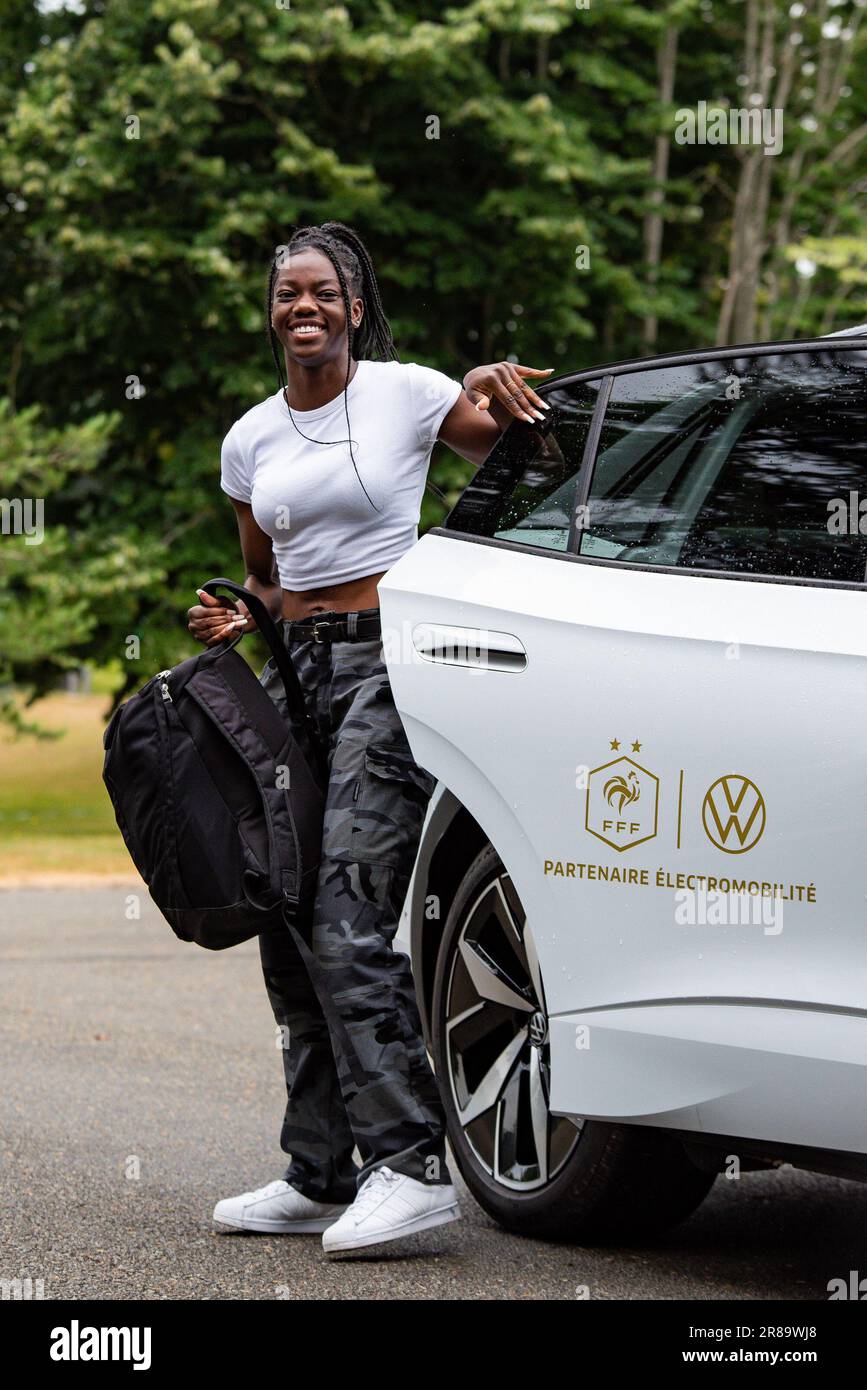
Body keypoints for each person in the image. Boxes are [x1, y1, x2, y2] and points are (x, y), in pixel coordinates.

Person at [187, 220, 553, 1256]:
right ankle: (319, 1171)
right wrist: (237, 616)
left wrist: (486, 385)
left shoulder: (410, 393)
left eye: (323, 292)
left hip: (389, 667)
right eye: (286, 292)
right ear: (272, 312)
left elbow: (533, 465)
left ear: (353, 307)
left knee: (349, 907)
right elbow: (264, 577)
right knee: (290, 917)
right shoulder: (250, 437)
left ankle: (411, 1167)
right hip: (291, 676)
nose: (303, 306)